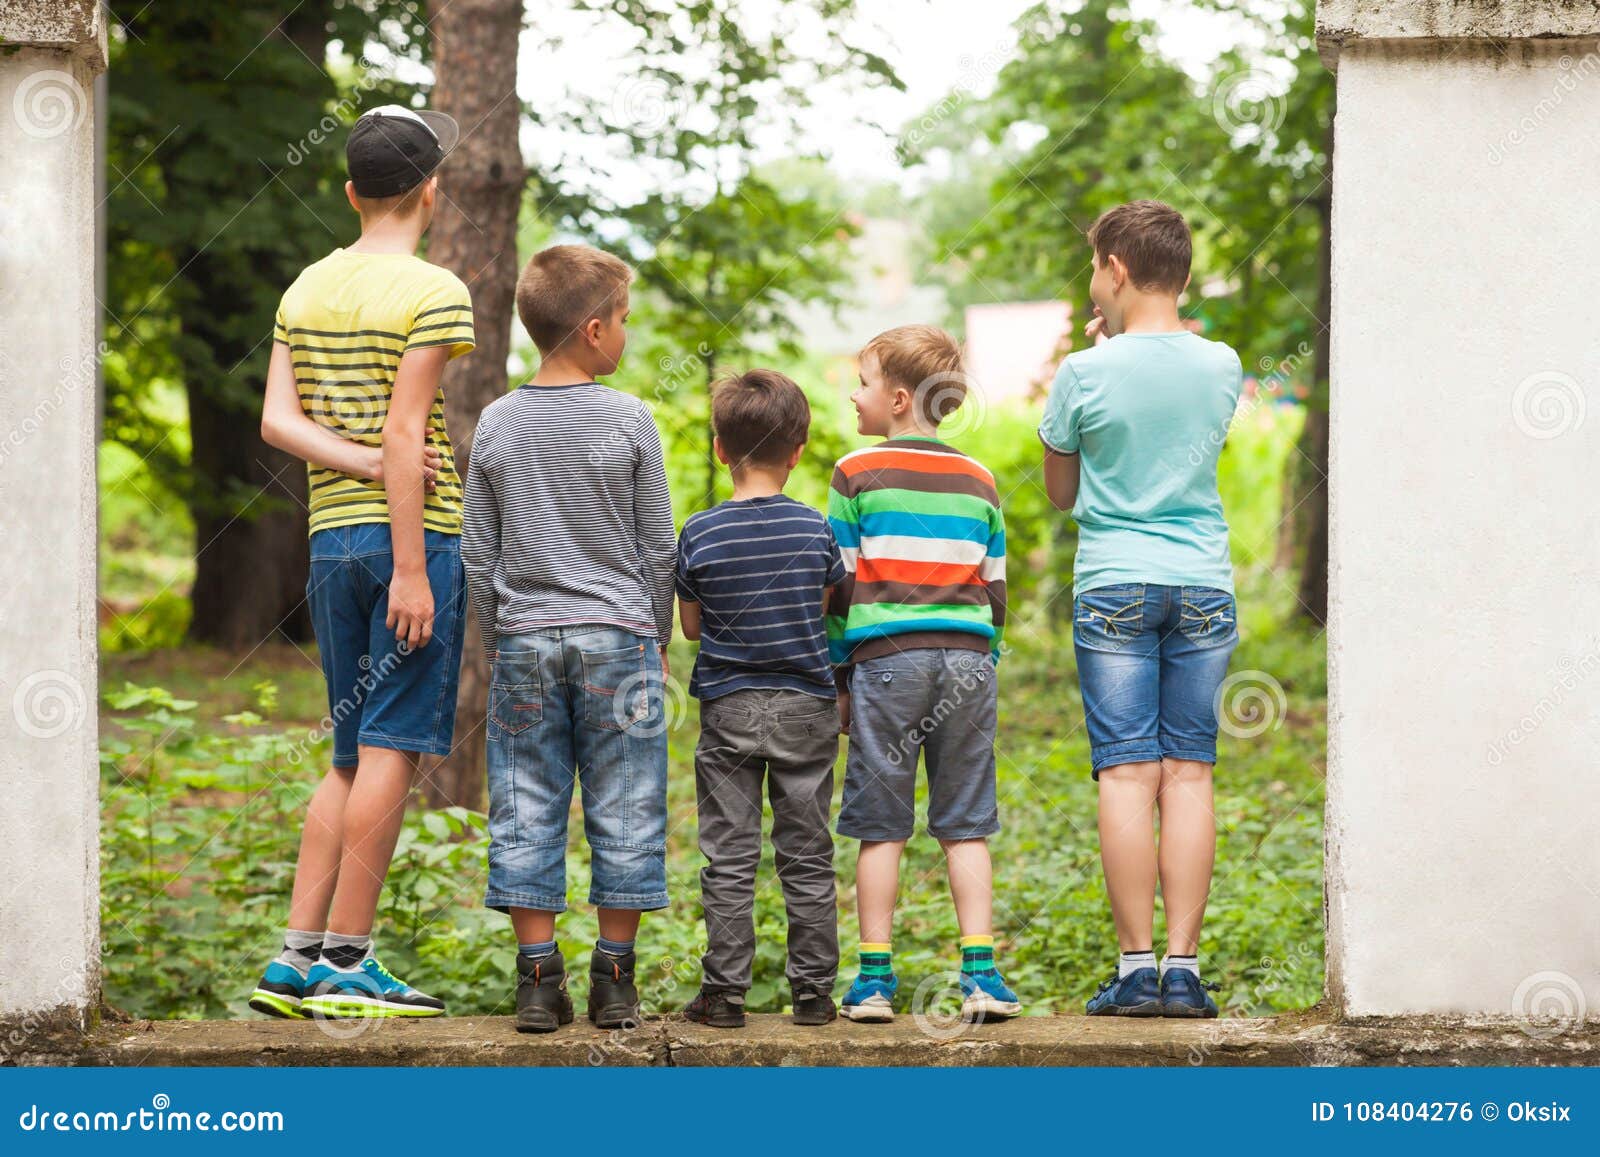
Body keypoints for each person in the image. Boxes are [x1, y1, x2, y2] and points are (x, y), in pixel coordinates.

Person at [251, 105, 474, 1020]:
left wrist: (357, 460)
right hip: (409, 537)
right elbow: (405, 430)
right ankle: (348, 959)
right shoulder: (436, 290)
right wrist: (416, 568)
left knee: (347, 751)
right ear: (433, 190)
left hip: (332, 541)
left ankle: (293, 959)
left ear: (350, 193)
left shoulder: (305, 288)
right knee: (392, 743)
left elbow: (278, 423)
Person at [1038, 200, 1243, 1019]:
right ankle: (1184, 969)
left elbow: (1062, 493)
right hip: (1203, 583)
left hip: (1115, 582)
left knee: (1127, 772)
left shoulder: (1084, 373)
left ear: (1116, 270)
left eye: (1095, 267)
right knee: (1190, 771)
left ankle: (1133, 970)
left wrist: (1097, 368)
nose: (1093, 281)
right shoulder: (1221, 362)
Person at [461, 244, 674, 1034]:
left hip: (523, 639)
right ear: (592, 329)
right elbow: (659, 545)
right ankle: (614, 982)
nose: (626, 332)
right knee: (627, 802)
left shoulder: (498, 422)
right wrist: (653, 631)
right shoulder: (630, 417)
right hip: (618, 637)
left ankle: (537, 980)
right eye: (623, 319)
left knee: (524, 802)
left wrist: (496, 638)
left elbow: (479, 551)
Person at [826, 324, 1020, 1024]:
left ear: (899, 398)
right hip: (968, 663)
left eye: (864, 382)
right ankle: (981, 974)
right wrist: (982, 656)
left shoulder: (853, 472)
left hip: (886, 662)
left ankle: (874, 979)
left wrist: (838, 672)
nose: (854, 395)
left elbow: (839, 584)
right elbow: (996, 589)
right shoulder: (981, 479)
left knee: (882, 825)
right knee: (965, 820)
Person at [676, 369, 845, 1029]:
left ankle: (723, 994)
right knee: (807, 853)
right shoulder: (816, 530)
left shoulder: (699, 532)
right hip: (807, 702)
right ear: (798, 450)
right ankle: (813, 994)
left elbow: (690, 627)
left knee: (730, 853)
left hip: (728, 706)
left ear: (721, 448)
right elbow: (825, 607)